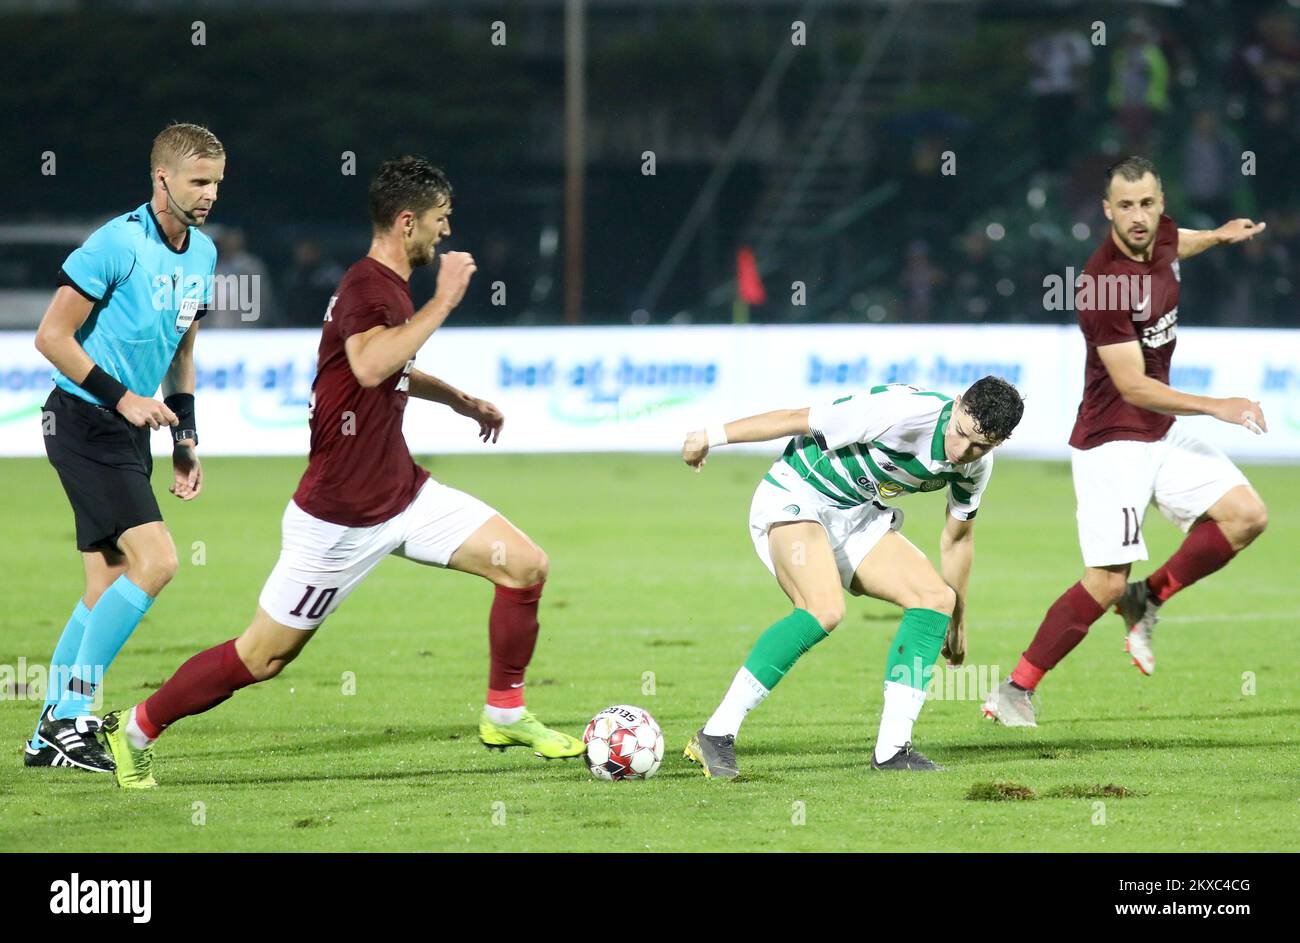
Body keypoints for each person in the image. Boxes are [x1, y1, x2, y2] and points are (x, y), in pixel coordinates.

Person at [102, 156, 583, 788]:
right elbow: (370, 364)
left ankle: (505, 712)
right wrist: (445, 299)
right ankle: (135, 728)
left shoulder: (385, 286)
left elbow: (392, 366)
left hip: (404, 495)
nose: (446, 231)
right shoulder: (366, 286)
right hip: (338, 519)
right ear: (407, 222)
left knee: (524, 565)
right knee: (262, 657)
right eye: (440, 219)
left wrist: (459, 400)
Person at [983, 156, 1269, 727]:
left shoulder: (1160, 236)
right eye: (1126, 206)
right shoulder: (1102, 286)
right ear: (1107, 210)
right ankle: (1014, 689)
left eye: (1147, 204)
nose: (1138, 217)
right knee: (1106, 580)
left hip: (1160, 431)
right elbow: (1133, 386)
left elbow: (1177, 244)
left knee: (1246, 516)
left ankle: (1149, 596)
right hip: (1112, 441)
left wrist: (1217, 236)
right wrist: (1219, 406)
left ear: (1161, 204)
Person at [681, 376, 1025, 778]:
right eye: (961, 433)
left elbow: (957, 540)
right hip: (798, 493)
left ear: (999, 442)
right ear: (957, 403)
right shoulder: (900, 412)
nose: (962, 451)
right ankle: (716, 733)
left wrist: (958, 621)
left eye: (980, 446)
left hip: (857, 517)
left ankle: (893, 750)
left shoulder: (976, 466)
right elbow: (795, 419)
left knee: (936, 600)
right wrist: (709, 436)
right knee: (823, 610)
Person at [26, 123, 223, 772]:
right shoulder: (116, 243)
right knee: (157, 561)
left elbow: (182, 350)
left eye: (217, 183)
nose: (210, 194)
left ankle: (48, 736)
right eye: (199, 181)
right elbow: (51, 337)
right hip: (83, 422)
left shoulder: (203, 254)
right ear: (162, 178)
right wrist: (123, 398)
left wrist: (185, 438)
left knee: (106, 581)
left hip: (129, 429)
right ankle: (71, 714)